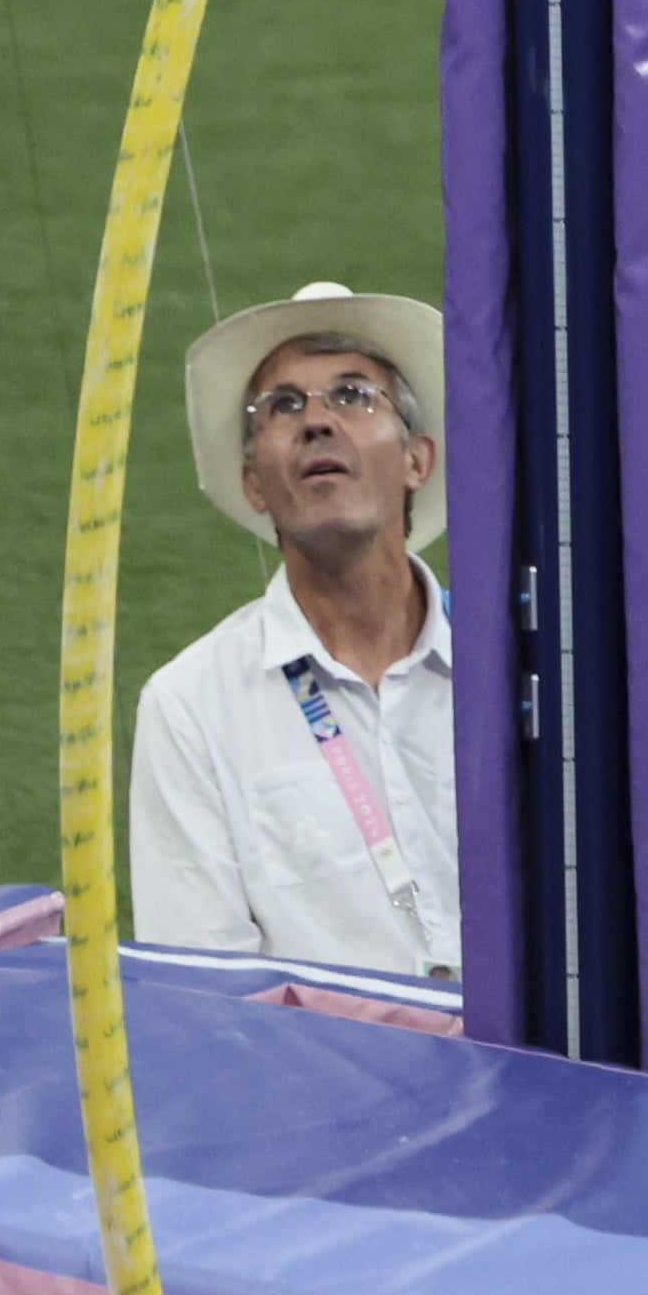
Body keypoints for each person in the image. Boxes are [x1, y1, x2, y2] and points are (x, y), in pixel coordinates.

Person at [130, 281, 458, 978]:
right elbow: (204, 990)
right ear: (255, 483)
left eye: (352, 396)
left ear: (416, 461)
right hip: (330, 1083)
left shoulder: (529, 661)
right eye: (283, 406)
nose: (316, 421)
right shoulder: (191, 704)